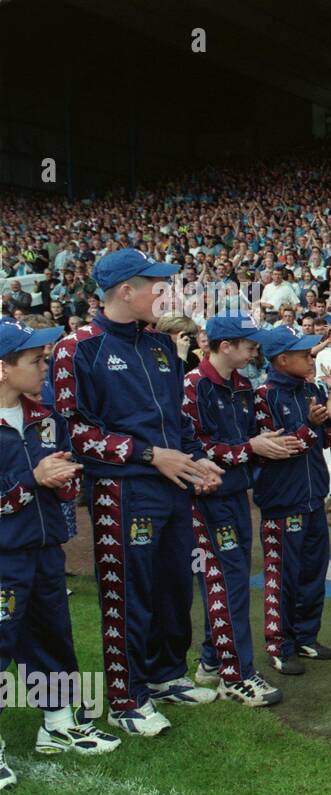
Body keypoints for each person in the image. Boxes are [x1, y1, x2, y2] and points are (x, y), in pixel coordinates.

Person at [51, 249, 226, 736]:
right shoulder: (76, 349)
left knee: (173, 587)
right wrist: (149, 455)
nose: (165, 294)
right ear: (126, 290)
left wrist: (196, 458)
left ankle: (166, 675)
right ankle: (126, 699)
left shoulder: (159, 346)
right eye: (157, 286)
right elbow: (74, 433)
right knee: (128, 593)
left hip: (172, 486)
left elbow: (177, 420)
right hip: (121, 490)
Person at [1, 322, 119, 788]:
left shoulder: (46, 417)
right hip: (4, 557)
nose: (45, 367)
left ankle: (59, 722)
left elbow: (65, 475)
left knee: (52, 635)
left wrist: (63, 480)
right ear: (3, 368)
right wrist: (33, 479)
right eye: (35, 360)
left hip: (45, 550)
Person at [182, 314, 299, 706]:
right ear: (225, 346)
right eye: (249, 345)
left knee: (228, 581)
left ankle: (212, 661)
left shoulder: (242, 385)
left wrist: (260, 443)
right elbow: (192, 447)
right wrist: (250, 448)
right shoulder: (192, 385)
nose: (254, 352)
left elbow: (243, 439)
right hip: (206, 499)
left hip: (235, 495)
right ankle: (237, 676)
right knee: (227, 583)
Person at [252, 326, 331, 672]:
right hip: (282, 501)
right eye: (304, 354)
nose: (311, 359)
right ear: (282, 360)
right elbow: (279, 448)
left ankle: (305, 637)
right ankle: (279, 644)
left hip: (313, 498)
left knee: (313, 573)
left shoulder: (311, 389)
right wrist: (312, 426)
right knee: (282, 576)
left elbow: (323, 441)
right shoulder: (263, 396)